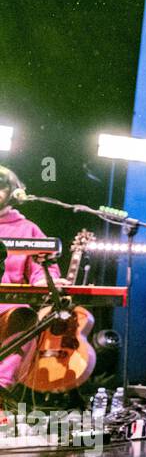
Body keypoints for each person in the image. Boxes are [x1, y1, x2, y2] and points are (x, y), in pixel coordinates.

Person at [0, 167, 57, 394]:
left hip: (7, 309)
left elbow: (43, 269)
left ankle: (1, 388)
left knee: (24, 316)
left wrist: (46, 279)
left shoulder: (27, 229)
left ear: (13, 192)